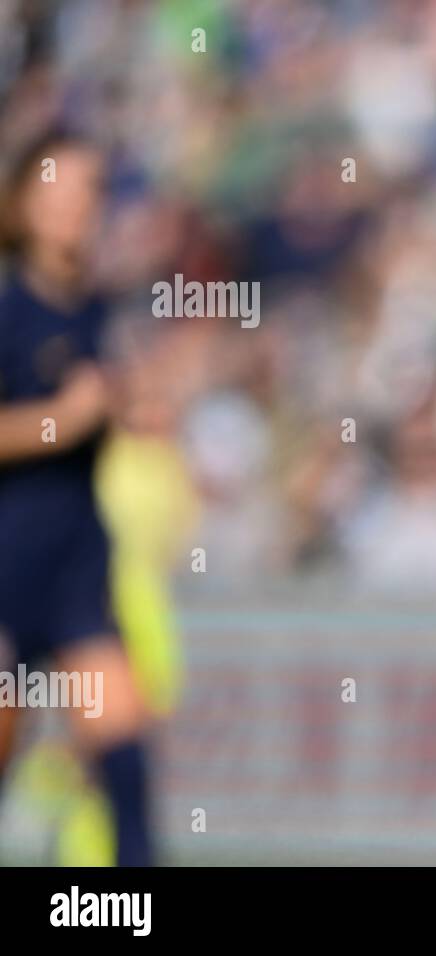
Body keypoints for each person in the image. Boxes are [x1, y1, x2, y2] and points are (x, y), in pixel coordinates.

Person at [0, 131, 155, 866]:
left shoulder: (98, 309)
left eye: (88, 192)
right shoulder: (6, 306)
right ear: (24, 203)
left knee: (124, 755)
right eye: (57, 192)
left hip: (75, 565)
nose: (72, 208)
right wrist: (62, 419)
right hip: (6, 561)